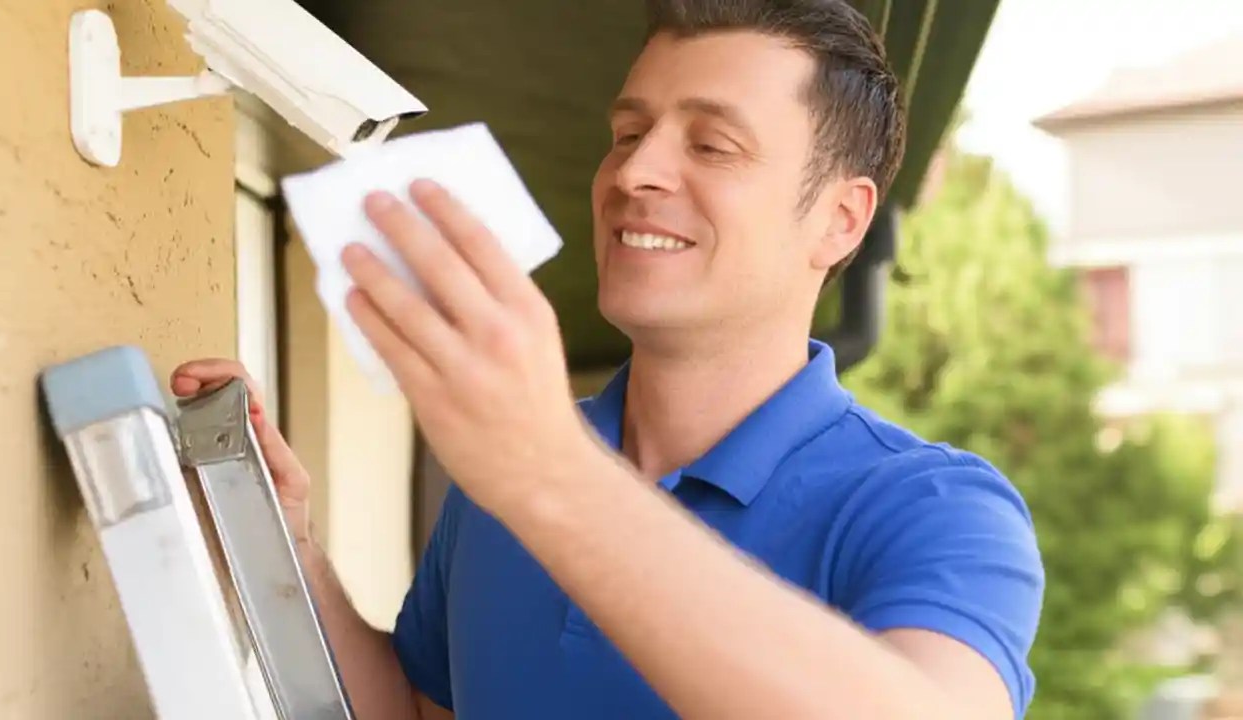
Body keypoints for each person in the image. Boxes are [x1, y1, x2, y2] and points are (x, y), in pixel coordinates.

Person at [173, 1, 1045, 718]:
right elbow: (415, 711)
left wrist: (546, 470)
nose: (635, 172)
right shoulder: (501, 480)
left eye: (711, 145)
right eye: (629, 133)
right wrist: (279, 539)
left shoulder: (933, 508)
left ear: (841, 220)